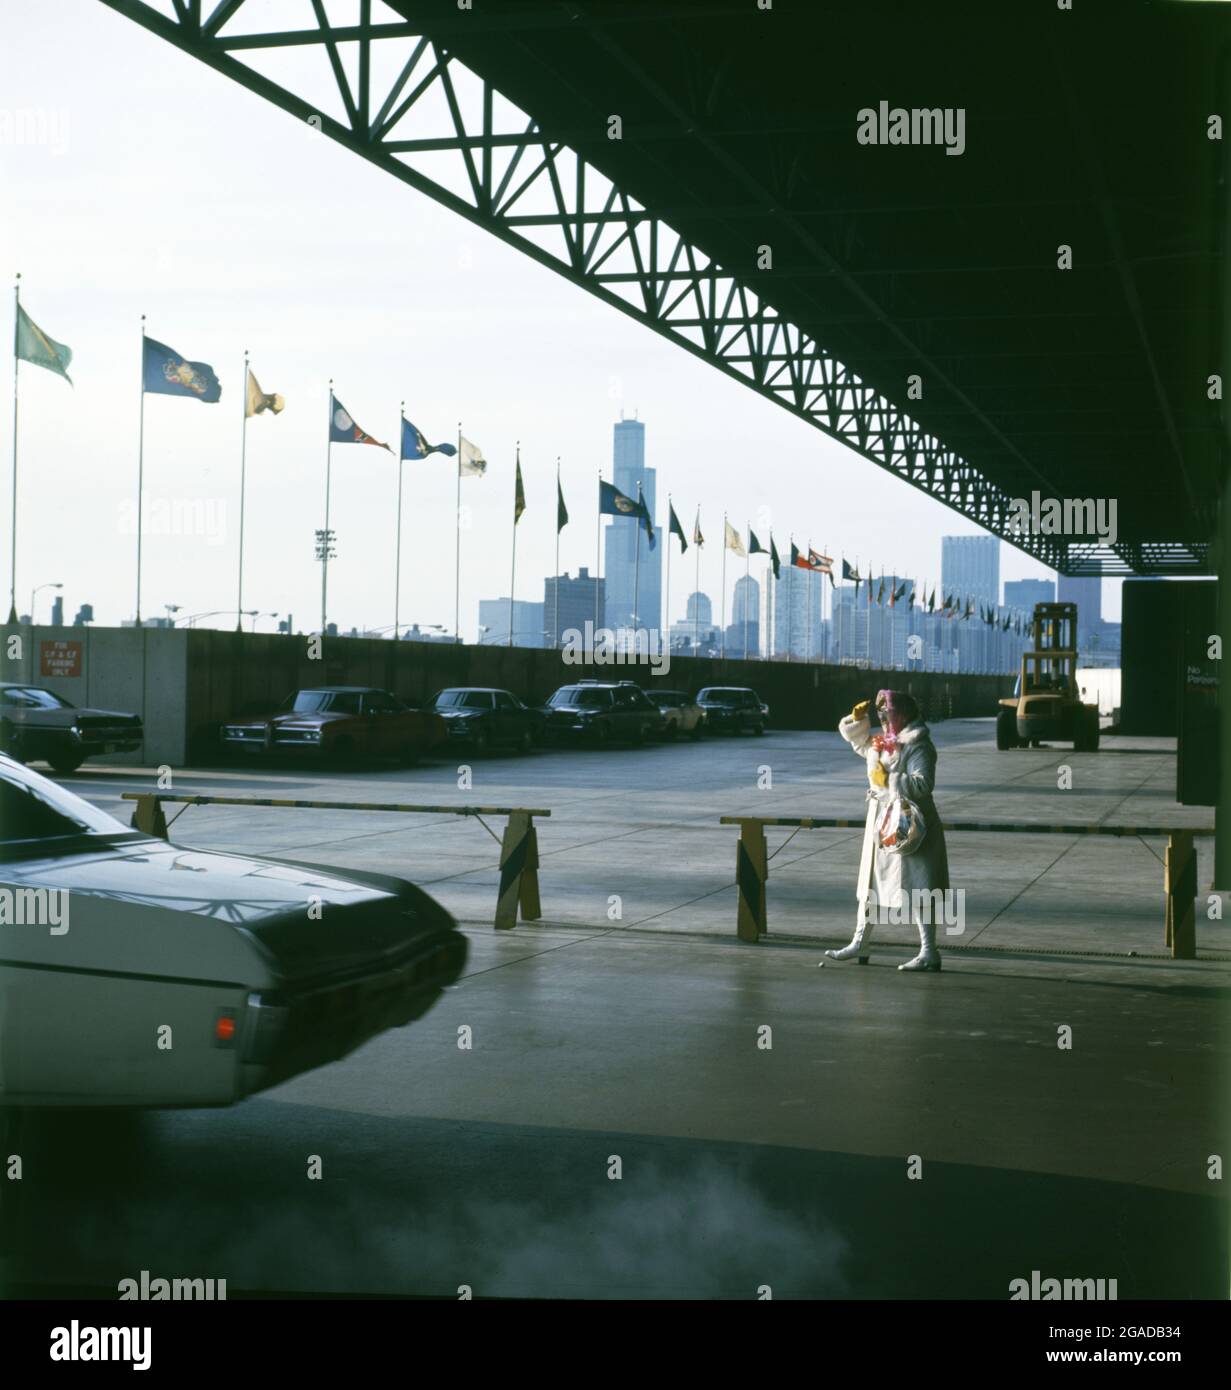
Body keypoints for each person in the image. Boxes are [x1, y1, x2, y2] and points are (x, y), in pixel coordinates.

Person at [825, 689, 949, 972]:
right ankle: (860, 942)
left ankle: (929, 951)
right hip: (883, 821)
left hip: (912, 825)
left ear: (903, 714)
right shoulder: (882, 741)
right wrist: (855, 721)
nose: (882, 718)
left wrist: (891, 779)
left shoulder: (919, 745)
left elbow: (923, 784)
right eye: (879, 714)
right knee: (870, 884)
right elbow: (860, 745)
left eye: (887, 713)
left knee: (921, 887)